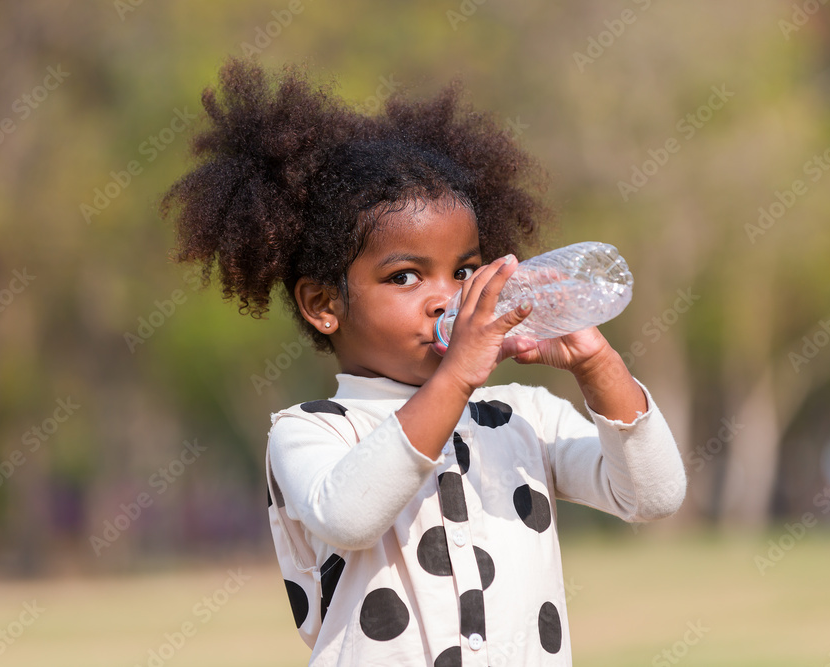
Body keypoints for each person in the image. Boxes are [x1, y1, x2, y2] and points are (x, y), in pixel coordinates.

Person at [161, 58, 686, 667]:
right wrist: (459, 374)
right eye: (405, 275)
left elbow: (653, 495)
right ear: (323, 304)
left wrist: (596, 363)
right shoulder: (311, 430)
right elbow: (351, 517)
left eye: (464, 270)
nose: (447, 296)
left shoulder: (521, 417)